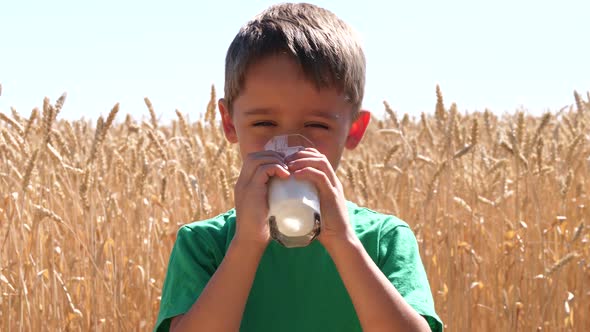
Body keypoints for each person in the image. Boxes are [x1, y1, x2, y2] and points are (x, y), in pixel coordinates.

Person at [154, 3, 442, 331]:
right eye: (264, 122)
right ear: (229, 123)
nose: (289, 144)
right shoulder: (205, 244)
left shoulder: (383, 240)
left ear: (354, 130)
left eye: (316, 126)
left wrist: (344, 242)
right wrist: (246, 243)